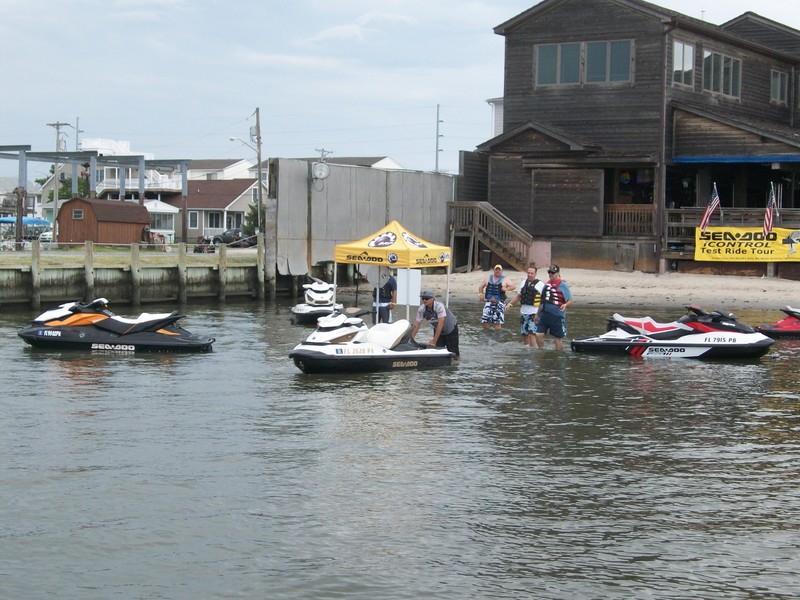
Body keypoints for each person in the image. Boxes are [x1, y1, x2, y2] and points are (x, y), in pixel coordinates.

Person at [409, 290, 460, 359]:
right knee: (436, 352)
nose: (424, 300)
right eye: (423, 298)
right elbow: (417, 325)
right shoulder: (421, 309)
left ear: (433, 298)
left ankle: (457, 363)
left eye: (426, 298)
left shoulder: (439, 306)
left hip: (450, 329)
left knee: (454, 354)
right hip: (438, 330)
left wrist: (434, 340)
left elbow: (441, 323)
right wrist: (410, 340)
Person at [505, 265, 546, 347]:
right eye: (528, 273)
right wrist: (510, 304)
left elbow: (544, 300)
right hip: (524, 312)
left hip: (534, 313)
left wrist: (541, 313)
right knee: (524, 334)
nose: (530, 275)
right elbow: (518, 296)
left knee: (531, 334)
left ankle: (533, 350)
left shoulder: (541, 285)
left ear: (535, 274)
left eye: (532, 273)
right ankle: (527, 349)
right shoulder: (523, 283)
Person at [535, 264, 573, 350]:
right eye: (549, 272)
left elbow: (570, 301)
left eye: (552, 273)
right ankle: (541, 351)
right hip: (544, 314)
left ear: (558, 273)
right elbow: (542, 301)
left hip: (557, 315)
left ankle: (559, 355)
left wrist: (565, 305)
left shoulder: (563, 285)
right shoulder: (547, 285)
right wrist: (537, 314)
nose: (550, 274)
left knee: (557, 338)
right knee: (538, 334)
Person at [478, 264, 516, 330]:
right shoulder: (488, 278)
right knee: (484, 320)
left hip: (499, 303)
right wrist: (481, 294)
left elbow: (513, 286)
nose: (497, 271)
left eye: (499, 270)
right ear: (494, 270)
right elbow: (481, 287)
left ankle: (497, 334)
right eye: (496, 269)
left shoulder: (505, 279)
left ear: (502, 271)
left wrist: (506, 289)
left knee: (497, 322)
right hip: (489, 302)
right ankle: (486, 333)